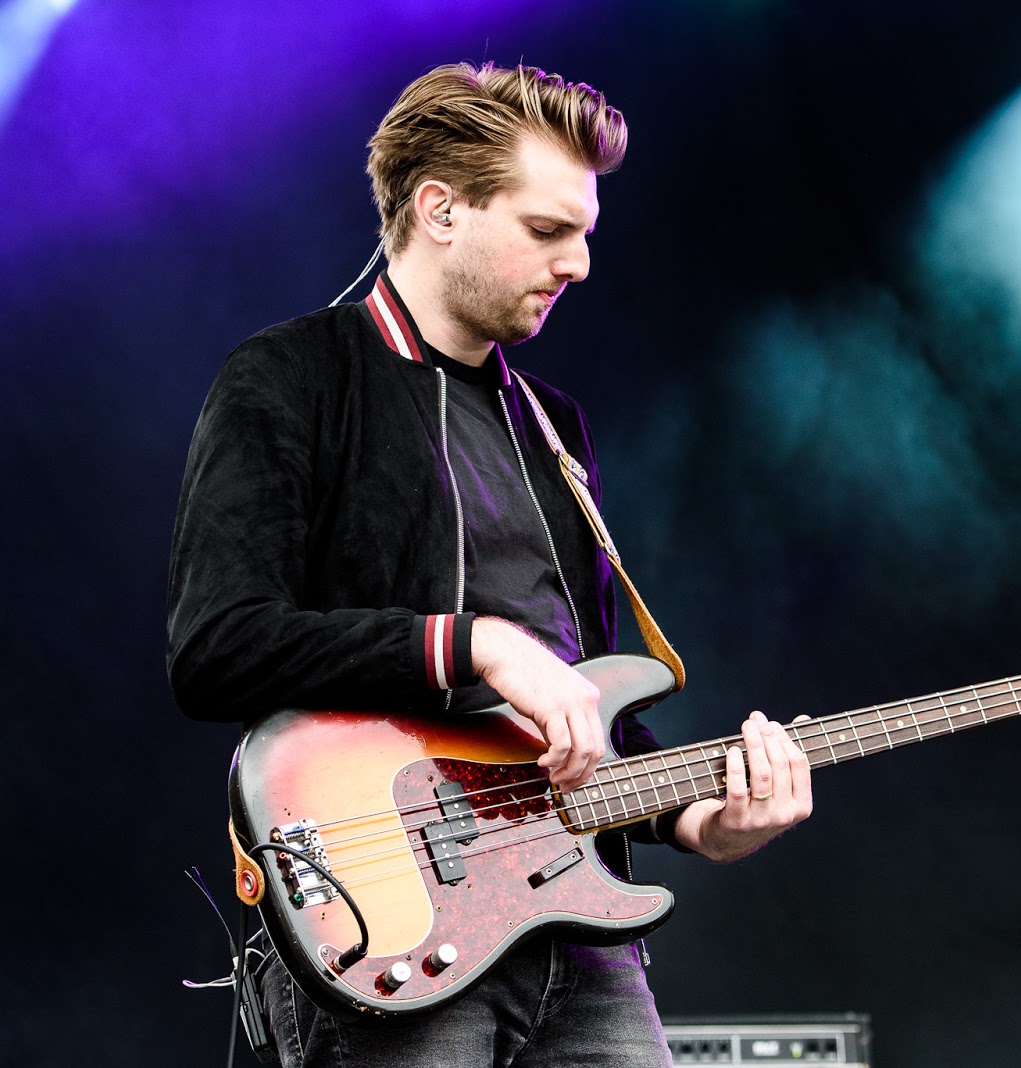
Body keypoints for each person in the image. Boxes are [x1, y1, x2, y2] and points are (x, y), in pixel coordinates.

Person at [166, 61, 812, 1067]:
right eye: (548, 230)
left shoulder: (553, 426)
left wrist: (703, 818)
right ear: (439, 210)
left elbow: (592, 712)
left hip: (579, 933)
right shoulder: (289, 378)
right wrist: (476, 646)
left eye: (586, 233)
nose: (579, 264)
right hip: (391, 923)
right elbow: (217, 648)